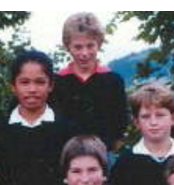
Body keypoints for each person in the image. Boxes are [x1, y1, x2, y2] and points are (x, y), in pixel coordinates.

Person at [0, 49, 77, 185]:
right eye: (24, 82)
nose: (32, 89)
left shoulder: (68, 130)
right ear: (13, 86)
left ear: (51, 85)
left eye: (40, 82)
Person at [47, 13, 128, 151]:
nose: (84, 53)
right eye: (78, 47)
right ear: (67, 47)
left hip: (104, 153)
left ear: (99, 44)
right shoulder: (57, 82)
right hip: (66, 153)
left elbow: (120, 122)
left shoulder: (112, 80)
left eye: (90, 46)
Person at [108, 81, 174, 185]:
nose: (153, 122)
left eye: (160, 115)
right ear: (137, 123)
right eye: (146, 116)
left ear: (173, 118)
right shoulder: (125, 163)